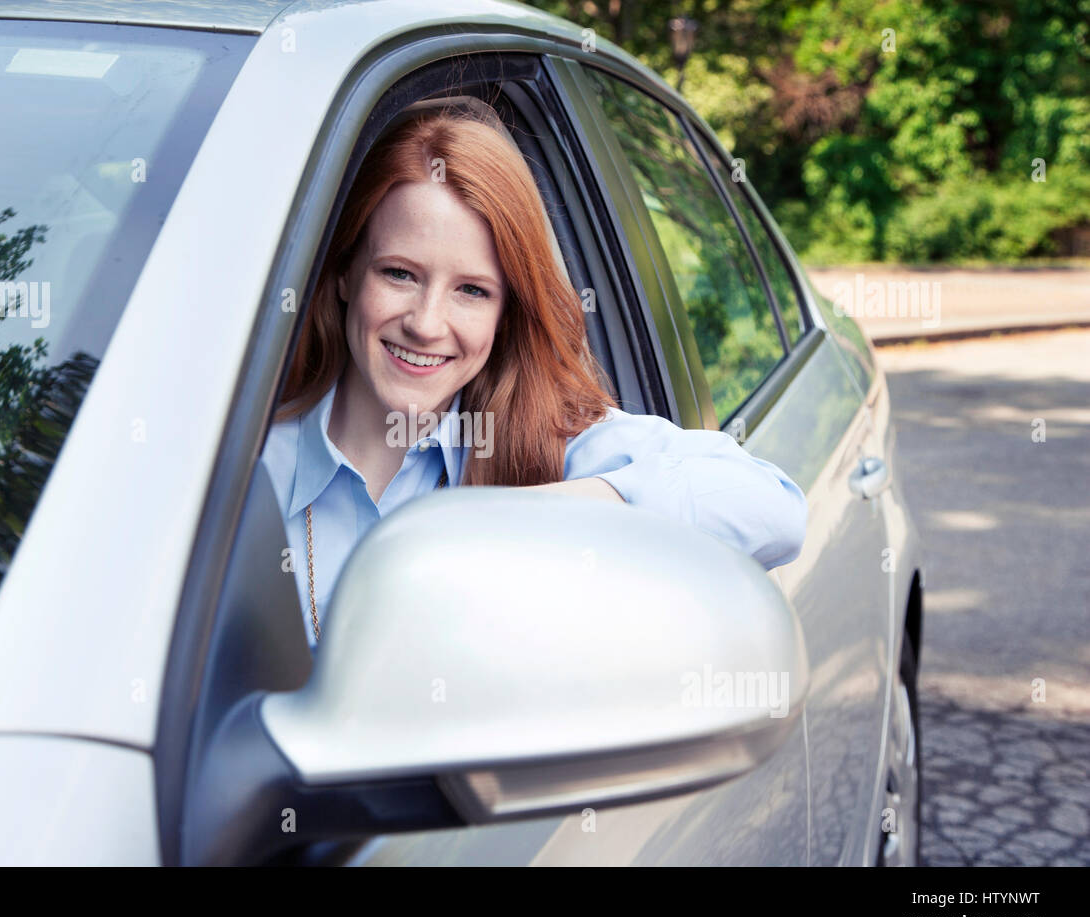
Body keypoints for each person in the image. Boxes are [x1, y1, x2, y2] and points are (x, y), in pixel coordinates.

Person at [261, 108, 807, 650]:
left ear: (507, 313)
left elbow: (773, 504)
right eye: (399, 274)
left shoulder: (540, 441)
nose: (426, 324)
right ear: (343, 274)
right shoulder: (240, 460)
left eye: (472, 290)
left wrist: (515, 517)